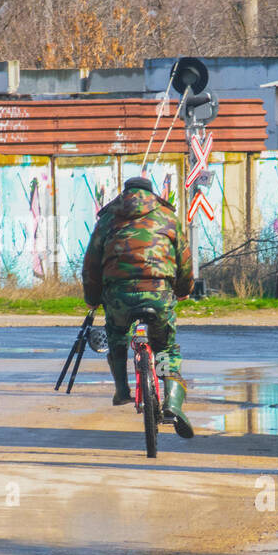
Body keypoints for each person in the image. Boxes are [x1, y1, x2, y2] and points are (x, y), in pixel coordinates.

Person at [81, 174, 194, 438]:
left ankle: (122, 389)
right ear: (152, 193)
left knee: (117, 336)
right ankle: (173, 404)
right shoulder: (168, 217)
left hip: (118, 296)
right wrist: (183, 291)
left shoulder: (108, 219)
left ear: (125, 193)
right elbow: (185, 262)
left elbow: (91, 265)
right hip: (159, 293)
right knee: (165, 348)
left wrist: (92, 298)